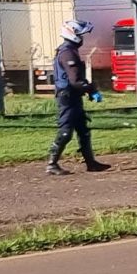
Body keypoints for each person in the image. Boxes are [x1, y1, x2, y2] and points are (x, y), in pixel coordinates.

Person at [46, 20, 109, 175]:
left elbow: (77, 78)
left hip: (73, 95)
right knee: (66, 131)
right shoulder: (67, 52)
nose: (82, 38)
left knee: (83, 130)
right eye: (81, 35)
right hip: (67, 97)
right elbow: (75, 80)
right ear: (72, 34)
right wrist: (91, 89)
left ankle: (91, 163)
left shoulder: (69, 50)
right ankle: (52, 164)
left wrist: (88, 89)